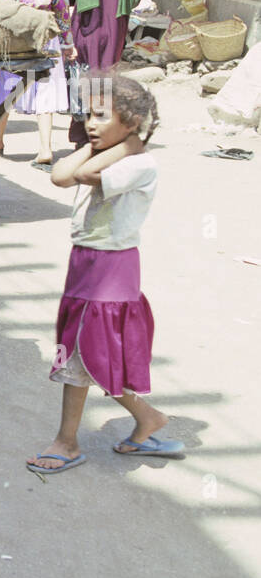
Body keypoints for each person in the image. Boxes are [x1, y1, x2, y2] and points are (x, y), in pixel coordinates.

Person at [27, 77, 179, 472]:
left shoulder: (140, 163)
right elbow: (59, 176)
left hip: (111, 269)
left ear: (130, 122)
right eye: (88, 115)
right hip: (87, 264)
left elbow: (84, 176)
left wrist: (126, 146)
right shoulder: (113, 151)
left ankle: (68, 441)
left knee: (86, 352)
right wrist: (106, 142)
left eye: (100, 116)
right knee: (85, 351)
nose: (90, 124)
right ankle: (146, 419)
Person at [0, 0, 75, 166]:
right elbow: (62, 11)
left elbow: (3, 7)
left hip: (18, 37)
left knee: (8, 89)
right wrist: (68, 43)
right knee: (46, 90)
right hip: (47, 37)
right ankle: (46, 148)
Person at [61, 0, 144, 145]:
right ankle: (106, 134)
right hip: (115, 33)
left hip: (87, 32)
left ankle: (83, 134)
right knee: (106, 80)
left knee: (85, 79)